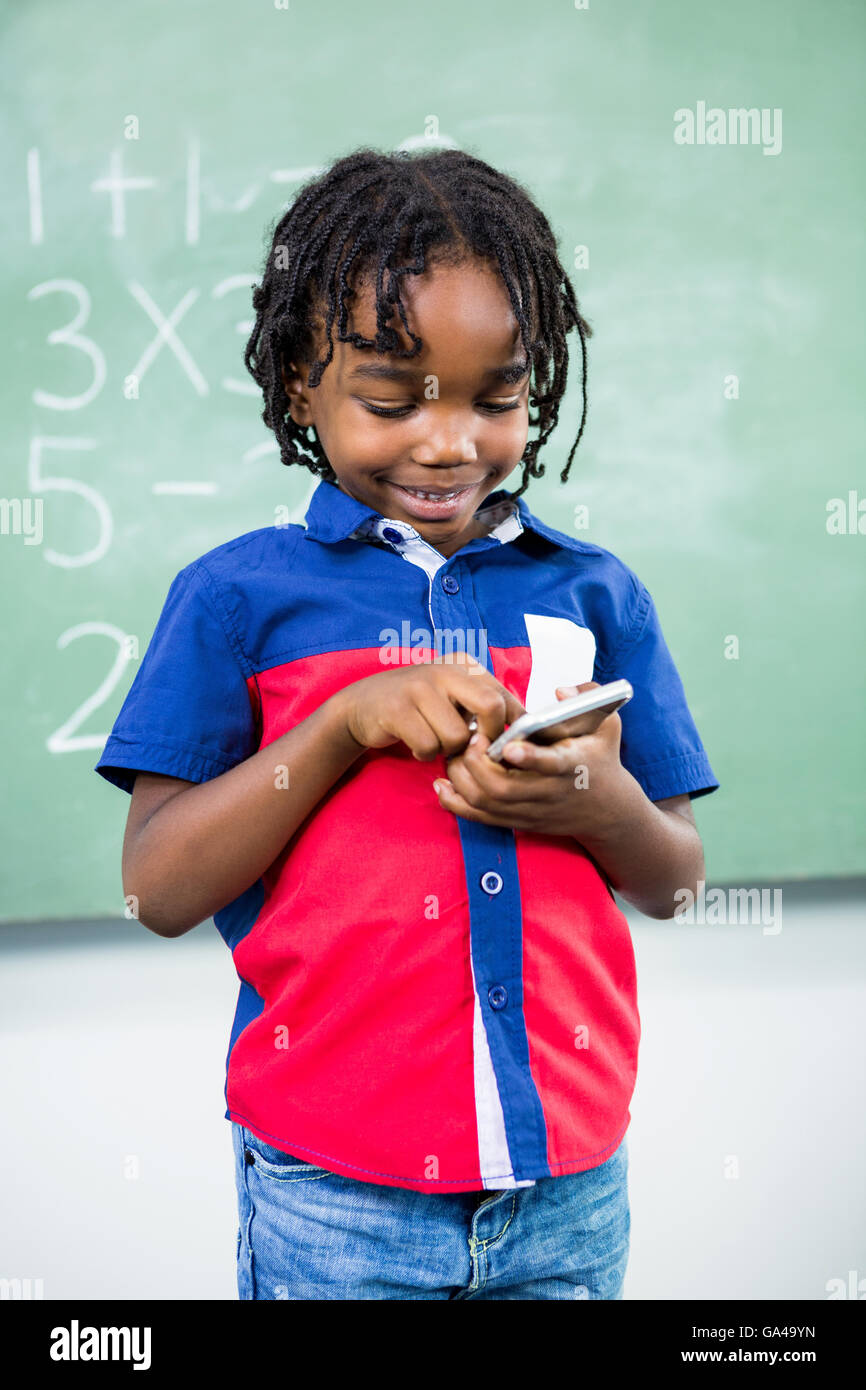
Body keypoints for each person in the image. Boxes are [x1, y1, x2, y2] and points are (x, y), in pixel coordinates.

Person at [94, 146, 719, 1300]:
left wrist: (593, 800)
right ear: (297, 382)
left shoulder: (594, 594)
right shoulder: (238, 600)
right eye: (390, 401)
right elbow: (158, 892)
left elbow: (673, 877)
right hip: (334, 1196)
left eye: (498, 400)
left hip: (566, 1183)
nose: (449, 444)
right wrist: (335, 730)